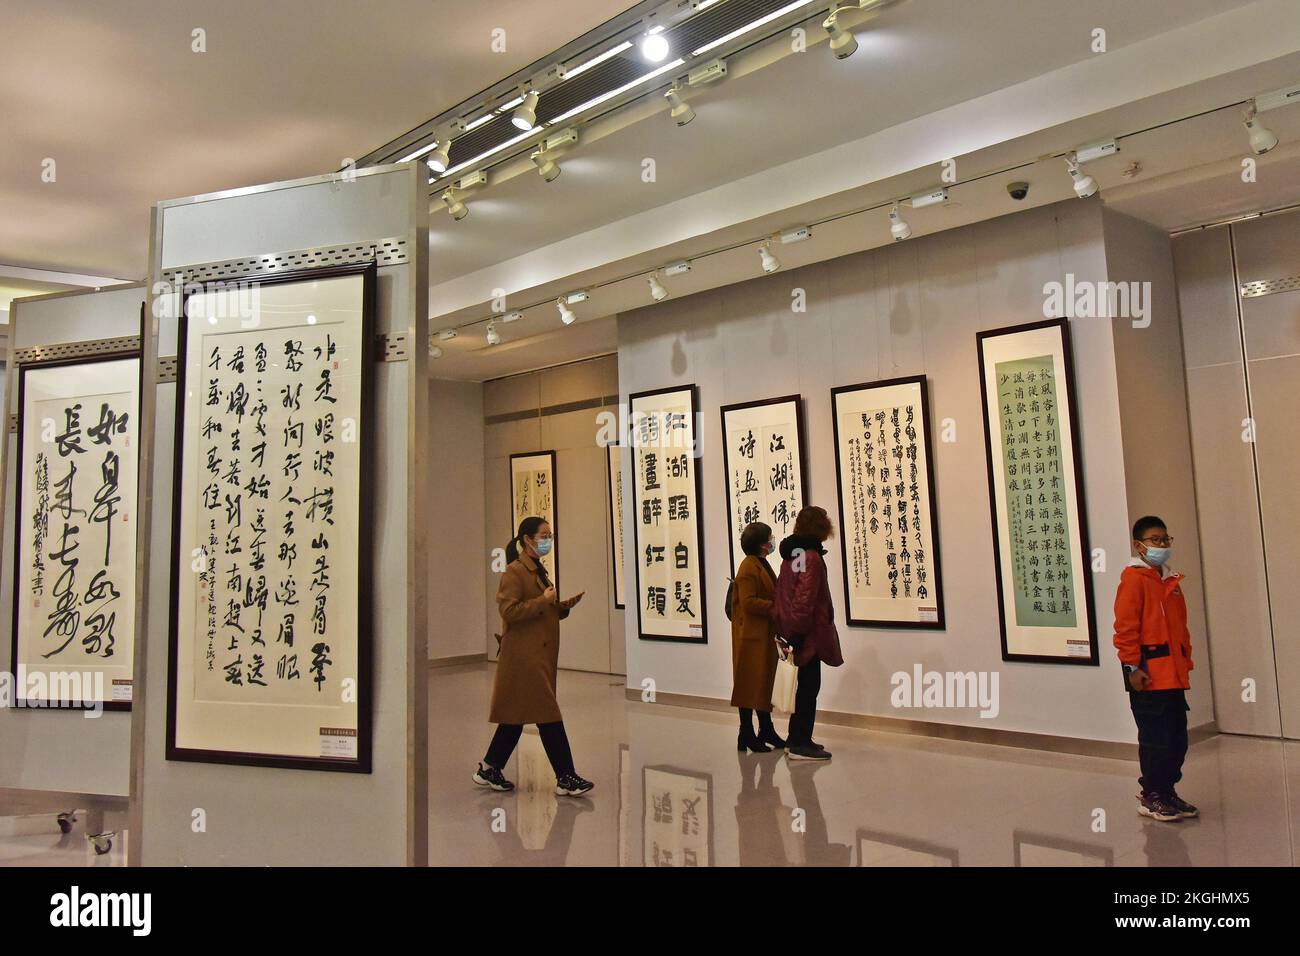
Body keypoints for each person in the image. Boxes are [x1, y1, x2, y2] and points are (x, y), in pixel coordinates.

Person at [473, 516, 593, 796]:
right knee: (548, 714)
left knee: (516, 716)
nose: (548, 540)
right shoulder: (514, 573)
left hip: (536, 655)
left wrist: (560, 607)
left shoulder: (538, 571)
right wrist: (543, 602)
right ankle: (566, 776)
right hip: (523, 658)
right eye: (544, 535)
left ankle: (489, 767)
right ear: (527, 539)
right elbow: (509, 612)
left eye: (550, 535)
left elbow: (540, 608)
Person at [1114, 515, 1198, 822]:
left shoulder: (1170, 581)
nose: (1162, 545)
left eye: (1165, 539)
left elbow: (1181, 629)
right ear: (1139, 545)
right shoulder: (1134, 580)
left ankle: (1167, 791)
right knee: (1155, 739)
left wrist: (1185, 662)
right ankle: (1151, 795)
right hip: (1147, 676)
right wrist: (1131, 667)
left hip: (1173, 675)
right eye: (1155, 540)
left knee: (1177, 738)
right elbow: (1125, 629)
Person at [775, 506, 843, 761]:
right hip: (807, 634)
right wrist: (799, 632)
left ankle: (797, 737)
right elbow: (804, 598)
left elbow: (786, 593)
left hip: (794, 630)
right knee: (809, 687)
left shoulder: (793, 554)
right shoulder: (811, 556)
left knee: (804, 686)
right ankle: (799, 743)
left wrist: (787, 629)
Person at [729, 522, 786, 753]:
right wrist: (775, 607)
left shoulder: (759, 563)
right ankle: (746, 732)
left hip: (760, 634)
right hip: (750, 636)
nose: (773, 541)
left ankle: (765, 729)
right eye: (770, 538)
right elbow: (748, 601)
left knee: (761, 682)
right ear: (763, 544)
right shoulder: (748, 567)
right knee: (748, 683)